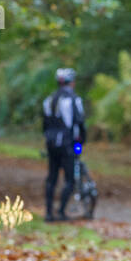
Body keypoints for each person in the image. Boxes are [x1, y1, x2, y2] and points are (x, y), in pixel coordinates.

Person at [42, 68, 87, 222]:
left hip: (51, 143)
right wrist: (81, 143)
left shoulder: (49, 100)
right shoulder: (74, 99)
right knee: (70, 179)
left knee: (52, 178)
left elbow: (45, 124)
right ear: (72, 82)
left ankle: (48, 213)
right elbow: (80, 123)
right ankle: (61, 211)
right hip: (68, 144)